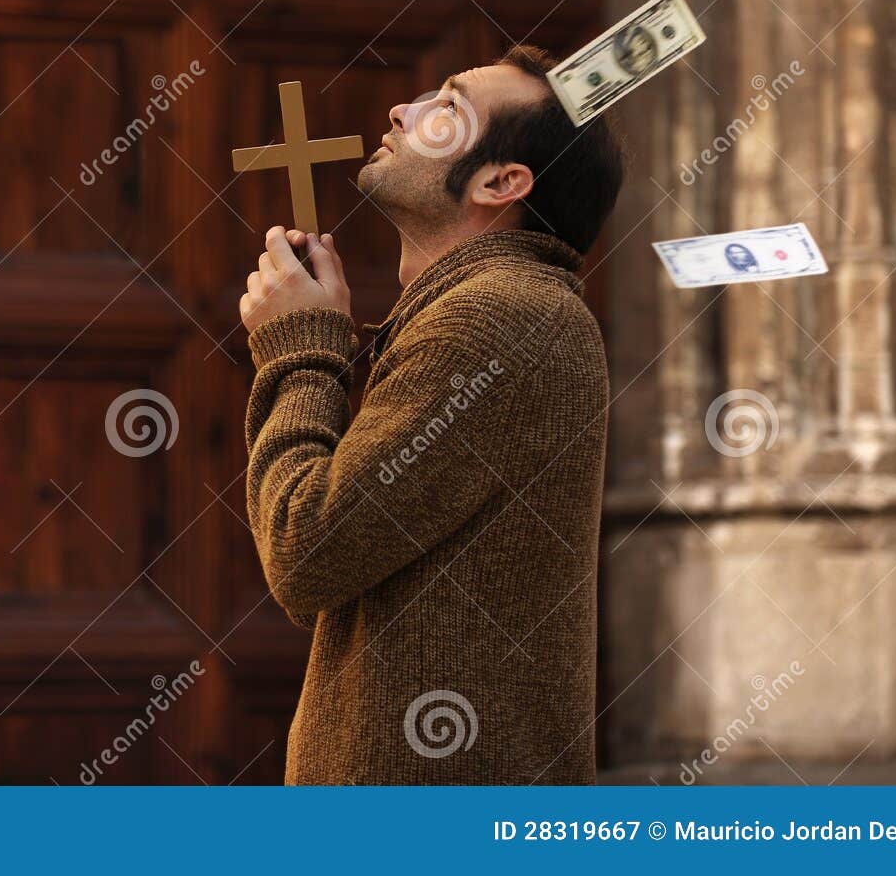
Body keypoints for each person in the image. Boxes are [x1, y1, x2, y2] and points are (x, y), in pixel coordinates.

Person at [237, 45, 627, 784]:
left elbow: (306, 549)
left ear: (500, 181)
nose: (402, 110)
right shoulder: (496, 310)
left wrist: (301, 349)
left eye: (447, 108)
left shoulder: (499, 318)